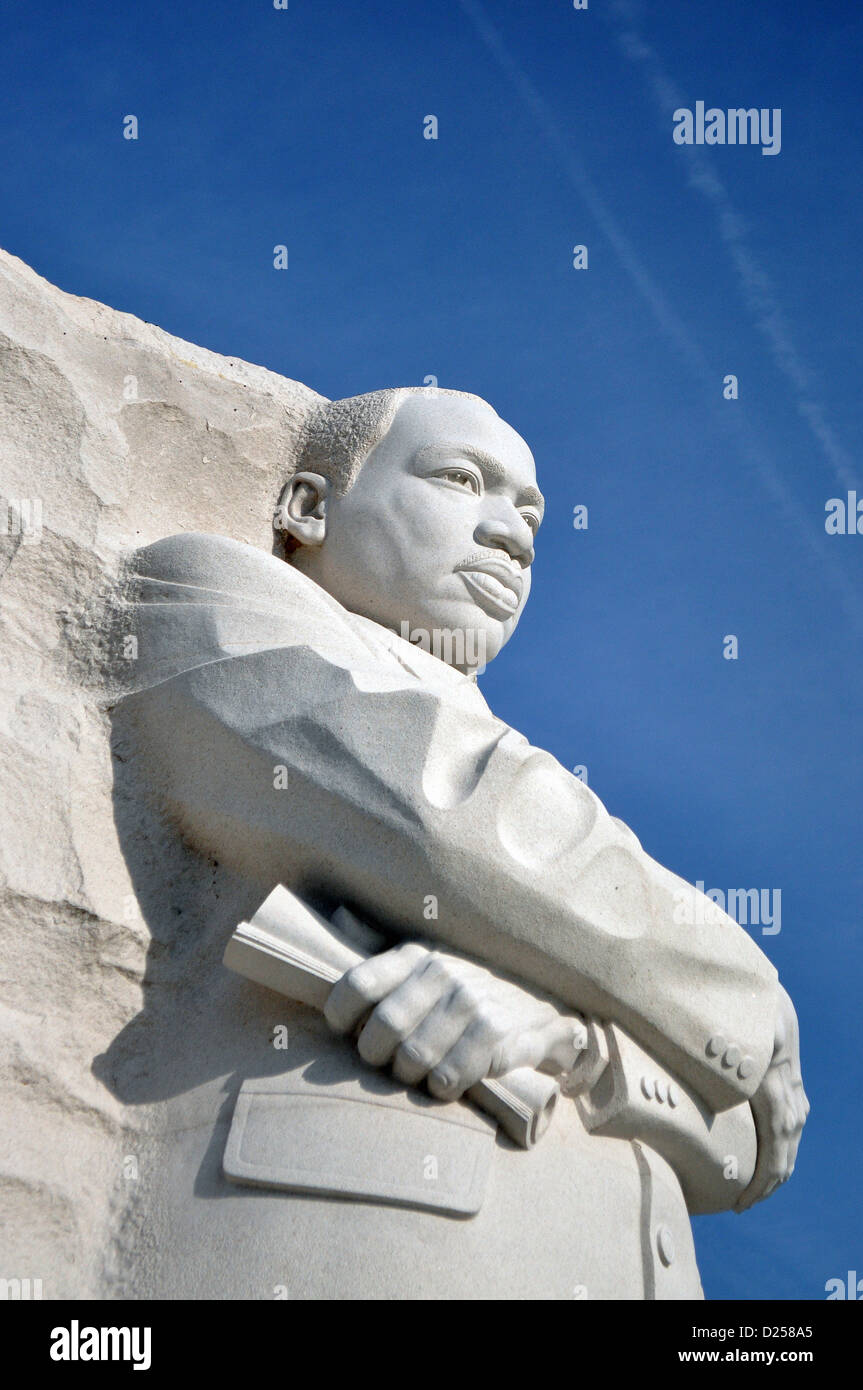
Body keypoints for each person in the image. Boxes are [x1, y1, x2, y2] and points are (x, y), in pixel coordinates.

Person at [117, 386, 807, 1299]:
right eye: (460, 480)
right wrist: (753, 995)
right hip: (359, 1246)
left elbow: (752, 1149)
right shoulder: (203, 595)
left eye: (529, 517)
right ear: (307, 509)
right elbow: (449, 824)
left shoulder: (559, 824)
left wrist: (574, 1043)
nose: (512, 536)